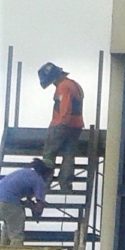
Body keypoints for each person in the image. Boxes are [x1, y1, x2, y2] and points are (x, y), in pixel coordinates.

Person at [37, 63, 85, 194]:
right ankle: (66, 184)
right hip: (76, 126)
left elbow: (65, 105)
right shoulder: (74, 85)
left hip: (62, 124)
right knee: (69, 155)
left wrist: (62, 122)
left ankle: (44, 183)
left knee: (49, 153)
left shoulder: (63, 87)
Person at [0, 159, 51, 250]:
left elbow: (25, 196)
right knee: (16, 235)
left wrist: (29, 203)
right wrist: (36, 207)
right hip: (9, 202)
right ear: (46, 173)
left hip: (3, 199)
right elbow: (38, 209)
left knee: (7, 230)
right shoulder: (39, 181)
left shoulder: (25, 172)